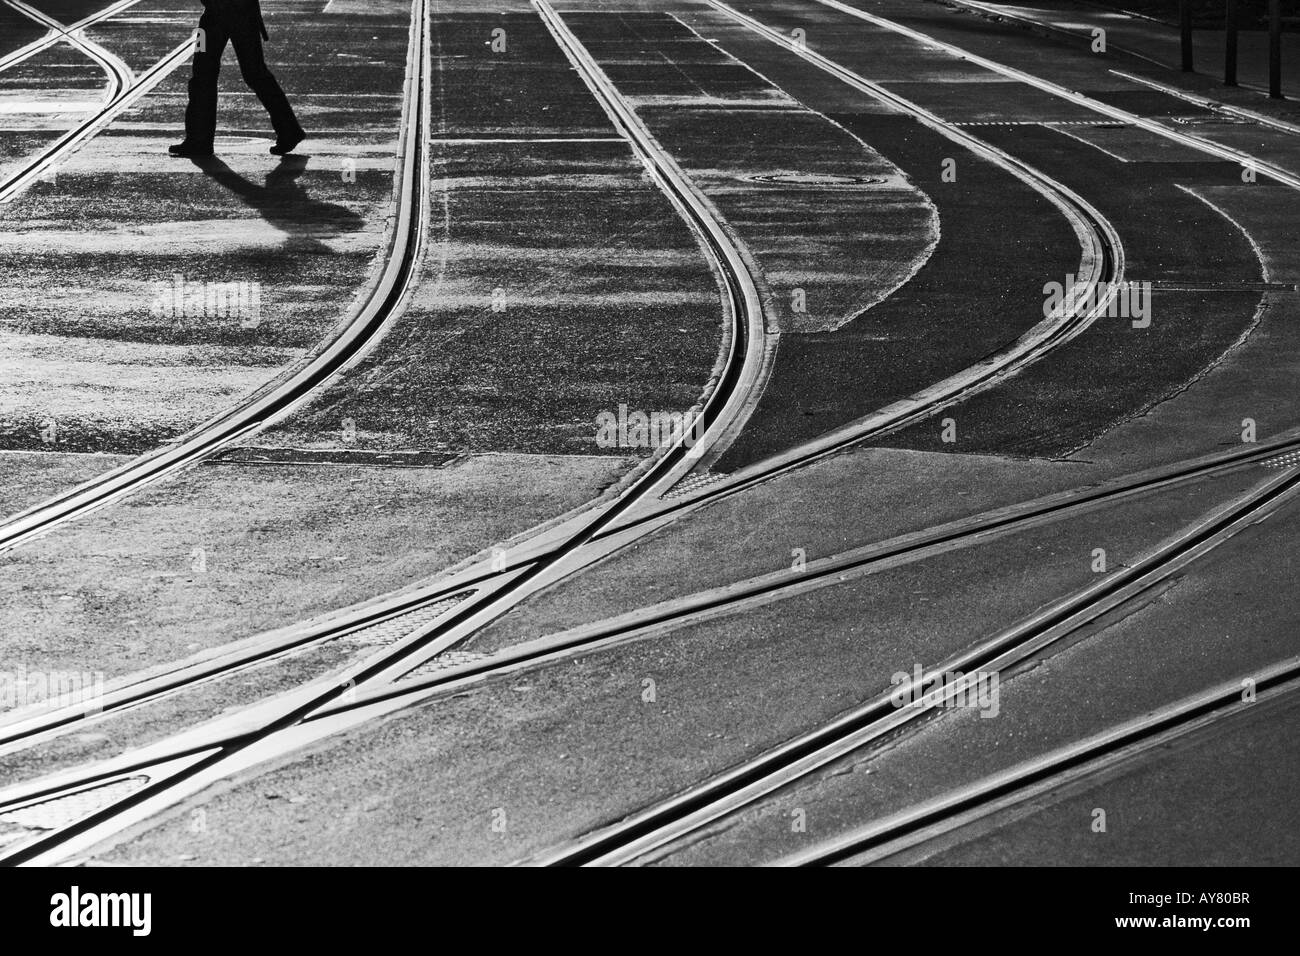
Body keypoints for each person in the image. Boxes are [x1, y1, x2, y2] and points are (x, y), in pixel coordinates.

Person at [170, 0, 305, 158]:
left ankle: (199, 140)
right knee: (254, 72)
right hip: (237, 11)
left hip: (220, 13)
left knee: (204, 73)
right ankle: (289, 129)